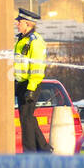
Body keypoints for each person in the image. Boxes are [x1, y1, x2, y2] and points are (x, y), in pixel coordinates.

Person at [13, 8, 52, 153]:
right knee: (27, 117)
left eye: (19, 22)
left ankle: (30, 152)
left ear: (28, 24)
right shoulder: (22, 40)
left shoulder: (35, 41)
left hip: (30, 85)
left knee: (26, 119)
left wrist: (31, 88)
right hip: (22, 84)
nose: (17, 24)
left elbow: (37, 67)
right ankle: (44, 148)